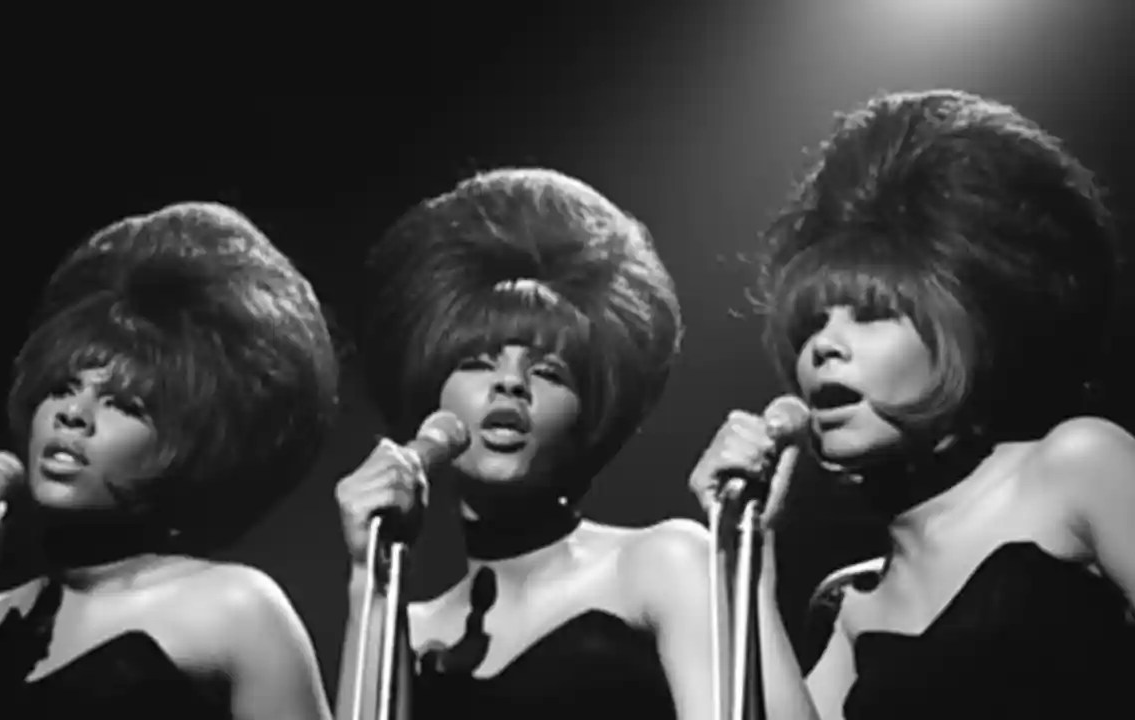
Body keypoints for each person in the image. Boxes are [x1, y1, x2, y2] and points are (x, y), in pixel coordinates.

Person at [690, 89, 1135, 720]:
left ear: (973, 329)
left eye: (870, 315)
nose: (822, 347)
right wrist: (744, 561)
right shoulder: (849, 606)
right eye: (811, 323)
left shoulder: (1078, 466)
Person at [0, 202, 339, 720]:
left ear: (191, 442)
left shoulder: (235, 608)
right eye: (62, 388)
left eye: (122, 403)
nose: (73, 416)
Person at [333, 167, 720, 720]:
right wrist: (369, 578)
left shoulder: (661, 563)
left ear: (588, 413)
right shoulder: (408, 630)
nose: (510, 384)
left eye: (548, 372)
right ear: (429, 394)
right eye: (477, 363)